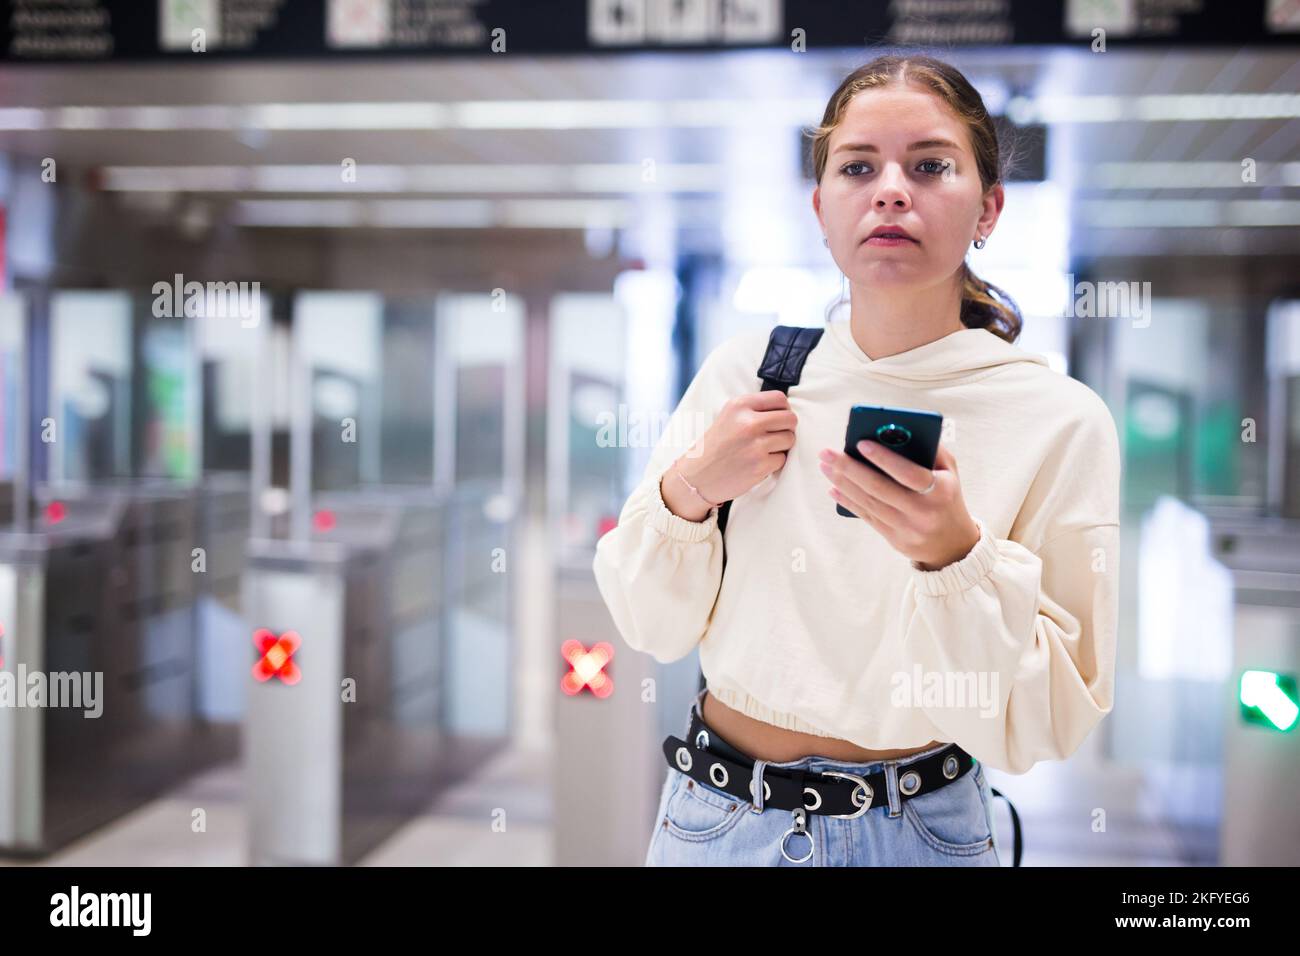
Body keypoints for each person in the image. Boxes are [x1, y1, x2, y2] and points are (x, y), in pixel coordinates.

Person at [592, 54, 1121, 866]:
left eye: (932, 165)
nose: (892, 190)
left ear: (990, 209)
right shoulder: (753, 377)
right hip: (722, 821)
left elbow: (1047, 718)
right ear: (821, 207)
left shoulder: (1057, 420)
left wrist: (957, 558)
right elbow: (649, 624)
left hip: (924, 831)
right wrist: (692, 489)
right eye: (858, 166)